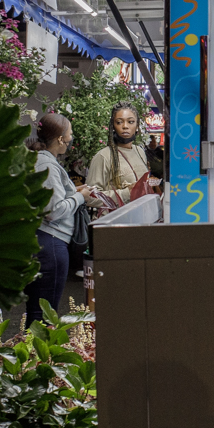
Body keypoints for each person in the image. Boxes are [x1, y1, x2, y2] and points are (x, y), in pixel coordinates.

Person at [30, 113, 92, 327]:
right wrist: (80, 197)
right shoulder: (46, 164)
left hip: (47, 242)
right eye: (70, 134)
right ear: (60, 138)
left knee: (39, 311)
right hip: (51, 243)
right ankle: (39, 348)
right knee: (44, 314)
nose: (71, 138)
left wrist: (75, 192)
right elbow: (53, 210)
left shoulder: (43, 161)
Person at [83, 103, 157, 213]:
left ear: (137, 126)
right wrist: (126, 193)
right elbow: (90, 197)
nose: (125, 126)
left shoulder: (140, 151)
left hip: (141, 217)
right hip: (116, 220)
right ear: (113, 126)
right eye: (119, 122)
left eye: (130, 122)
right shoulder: (103, 156)